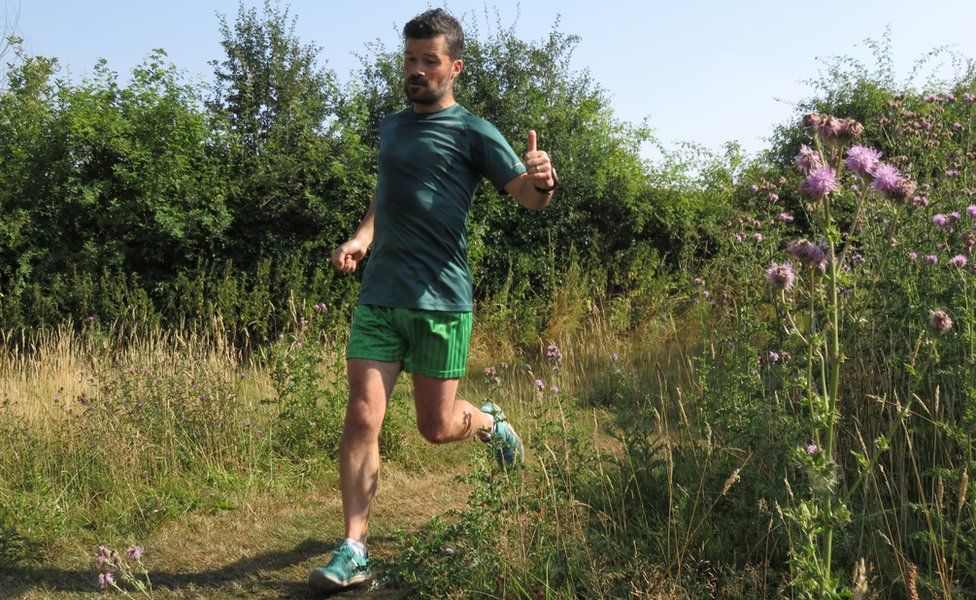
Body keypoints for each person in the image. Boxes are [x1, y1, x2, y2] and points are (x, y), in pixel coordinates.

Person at [308, 8, 557, 591]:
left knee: (438, 428)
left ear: (454, 68)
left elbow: (526, 195)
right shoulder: (392, 126)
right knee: (363, 415)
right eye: (410, 60)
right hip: (380, 297)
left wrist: (542, 179)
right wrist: (362, 237)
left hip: (442, 301)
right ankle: (353, 550)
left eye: (429, 61)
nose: (416, 70)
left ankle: (490, 423)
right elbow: (387, 194)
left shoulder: (472, 131)